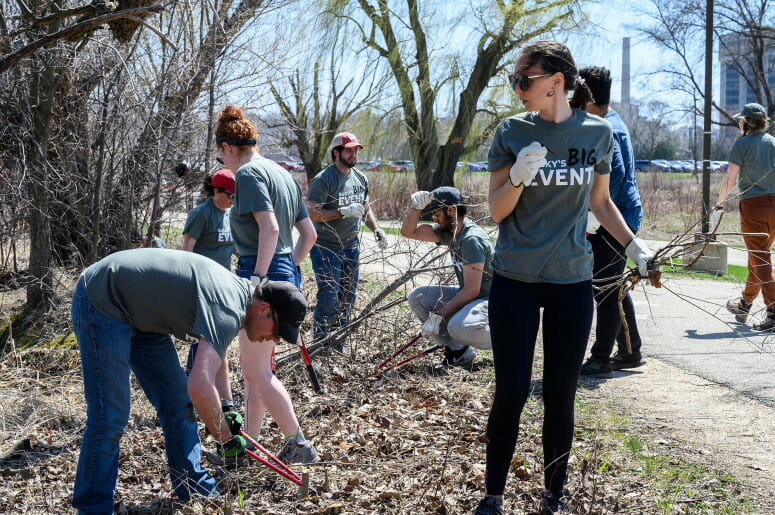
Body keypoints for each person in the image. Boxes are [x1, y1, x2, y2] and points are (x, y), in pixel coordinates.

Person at [473, 41, 657, 515]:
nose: (517, 87)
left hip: (571, 282)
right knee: (512, 391)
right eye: (515, 79)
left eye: (524, 78)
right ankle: (493, 496)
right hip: (514, 279)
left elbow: (601, 202)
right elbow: (496, 211)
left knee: (560, 395)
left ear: (556, 82)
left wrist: (634, 247)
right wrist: (518, 176)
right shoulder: (511, 131)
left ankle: (554, 494)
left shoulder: (597, 133)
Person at [70, 249, 306, 513]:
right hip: (104, 299)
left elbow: (216, 354)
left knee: (177, 402)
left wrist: (226, 406)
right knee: (110, 415)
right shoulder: (230, 307)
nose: (275, 340)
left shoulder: (238, 299)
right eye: (278, 332)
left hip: (143, 316)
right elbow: (200, 385)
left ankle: (194, 489)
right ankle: (93, 509)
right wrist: (226, 440)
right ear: (264, 309)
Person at [215, 105, 320, 464]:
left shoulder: (248, 174)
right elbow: (309, 234)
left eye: (221, 155)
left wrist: (260, 278)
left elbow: (271, 229)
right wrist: (289, 269)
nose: (223, 163)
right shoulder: (283, 174)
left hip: (258, 274)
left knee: (256, 372)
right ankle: (250, 445)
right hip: (284, 272)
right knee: (256, 371)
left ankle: (299, 444)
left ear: (228, 147)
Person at [577, 67, 646, 376]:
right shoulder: (611, 119)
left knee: (605, 289)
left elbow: (612, 182)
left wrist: (593, 215)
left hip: (614, 218)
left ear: (587, 95)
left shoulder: (607, 128)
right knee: (613, 284)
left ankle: (601, 358)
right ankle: (630, 351)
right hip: (619, 215)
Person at [306, 131, 388, 347]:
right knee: (329, 297)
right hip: (325, 248)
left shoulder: (360, 178)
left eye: (356, 151)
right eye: (349, 150)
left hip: (351, 247)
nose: (354, 154)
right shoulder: (323, 180)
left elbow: (365, 208)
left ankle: (338, 344)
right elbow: (312, 212)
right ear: (336, 152)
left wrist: (376, 229)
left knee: (348, 298)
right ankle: (321, 345)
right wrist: (341, 212)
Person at [400, 186, 493, 367]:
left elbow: (472, 291)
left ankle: (510, 338)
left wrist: (438, 317)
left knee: (457, 326)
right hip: (474, 297)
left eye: (436, 214)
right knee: (418, 298)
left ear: (450, 211)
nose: (434, 219)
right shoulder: (450, 232)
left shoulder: (471, 239)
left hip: (491, 300)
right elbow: (409, 232)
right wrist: (416, 209)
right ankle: (459, 351)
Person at [717, 103, 775, 330]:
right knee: (757, 257)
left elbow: (730, 179)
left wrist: (719, 201)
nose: (739, 123)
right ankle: (745, 304)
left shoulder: (742, 144)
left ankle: (773, 311)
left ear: (747, 123)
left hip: (754, 207)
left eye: (741, 120)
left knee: (760, 259)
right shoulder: (773, 142)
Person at [182, 169, 236, 390]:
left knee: (217, 339)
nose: (233, 198)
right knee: (204, 337)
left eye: (236, 195)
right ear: (216, 191)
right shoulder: (201, 214)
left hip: (223, 286)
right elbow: (186, 251)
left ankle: (209, 385)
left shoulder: (232, 215)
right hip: (202, 286)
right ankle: (191, 384)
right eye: (229, 194)